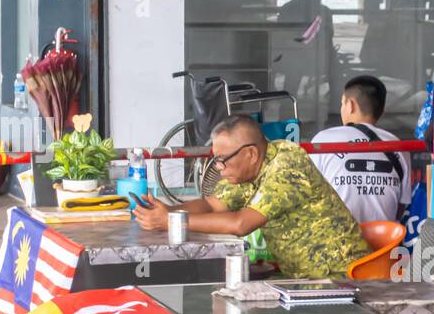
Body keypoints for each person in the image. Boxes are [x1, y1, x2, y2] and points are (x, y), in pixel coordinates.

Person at [134, 115, 368, 279]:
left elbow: (240, 224)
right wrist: (167, 212)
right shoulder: (246, 168)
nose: (218, 167)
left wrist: (169, 222)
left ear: (251, 154)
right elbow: (212, 205)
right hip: (301, 277)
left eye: (222, 160)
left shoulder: (286, 163)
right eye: (215, 159)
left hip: (339, 277)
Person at [309, 75, 411, 224]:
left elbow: (308, 194)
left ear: (350, 105)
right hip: (385, 242)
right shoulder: (399, 147)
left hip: (336, 242)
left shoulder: (322, 141)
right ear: (382, 112)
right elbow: (401, 206)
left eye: (342, 104)